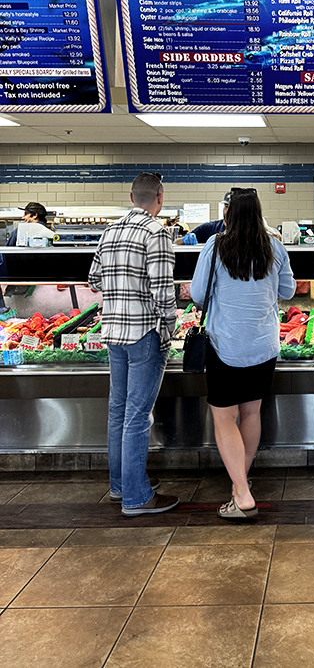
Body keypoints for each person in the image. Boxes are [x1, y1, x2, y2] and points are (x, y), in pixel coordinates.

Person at [190, 187, 296, 520]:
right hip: (263, 346)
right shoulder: (274, 247)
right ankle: (241, 483)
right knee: (251, 414)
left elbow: (197, 294)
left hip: (225, 345)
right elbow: (289, 291)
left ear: (227, 213)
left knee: (225, 418)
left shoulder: (214, 246)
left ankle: (242, 491)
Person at [88, 172, 179, 516]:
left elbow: (93, 279)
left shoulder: (109, 231)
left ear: (130, 197)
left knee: (118, 411)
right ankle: (137, 498)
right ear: (160, 197)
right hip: (144, 333)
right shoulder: (157, 232)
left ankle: (121, 485)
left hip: (112, 332)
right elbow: (163, 291)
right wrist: (168, 332)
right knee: (138, 416)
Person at [177, 188, 281, 245]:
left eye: (232, 207)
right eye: (226, 207)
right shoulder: (211, 229)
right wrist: (184, 240)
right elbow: (177, 242)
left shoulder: (255, 232)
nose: (228, 212)